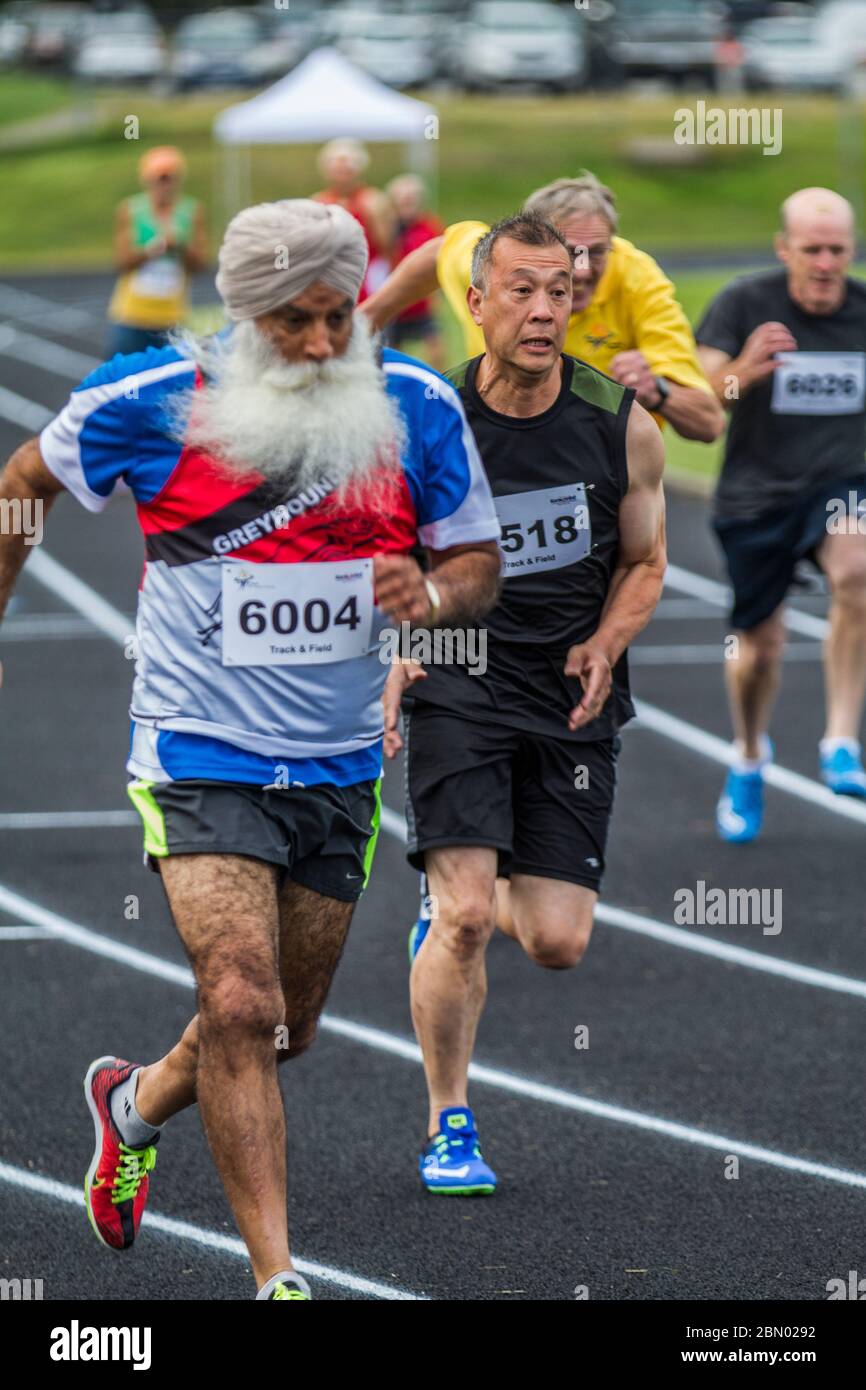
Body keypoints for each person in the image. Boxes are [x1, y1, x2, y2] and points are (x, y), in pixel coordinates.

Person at [0, 200, 501, 1297]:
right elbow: (24, 483)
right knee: (238, 1000)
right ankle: (276, 1278)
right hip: (198, 749)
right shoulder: (148, 403)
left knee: (286, 1029)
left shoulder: (413, 405)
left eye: (339, 319)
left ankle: (129, 1103)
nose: (323, 346)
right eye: (293, 323)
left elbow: (475, 561)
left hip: (338, 765)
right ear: (240, 312)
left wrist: (432, 592)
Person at [383, 212, 666, 1195]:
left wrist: (605, 639)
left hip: (569, 700)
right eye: (522, 290)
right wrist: (397, 654)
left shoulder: (616, 422)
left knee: (554, 940)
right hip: (459, 675)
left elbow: (644, 559)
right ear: (475, 301)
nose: (545, 310)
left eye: (560, 290)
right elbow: (385, 558)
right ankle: (447, 1120)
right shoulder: (430, 418)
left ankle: (456, 906)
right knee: (463, 913)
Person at [696, 187, 866, 843]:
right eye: (812, 249)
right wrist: (745, 371)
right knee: (756, 652)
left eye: (838, 250)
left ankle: (841, 740)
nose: (825, 263)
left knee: (856, 567)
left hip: (843, 482)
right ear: (784, 248)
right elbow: (703, 400)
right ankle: (747, 754)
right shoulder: (746, 302)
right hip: (756, 495)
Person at [363, 171, 724, 444]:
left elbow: (708, 424)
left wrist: (658, 391)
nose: (580, 270)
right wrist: (366, 320)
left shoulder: (638, 281)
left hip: (600, 474)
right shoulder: (496, 258)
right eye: (568, 252)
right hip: (499, 449)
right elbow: (440, 252)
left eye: (597, 252)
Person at [107, 146, 208, 357]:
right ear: (148, 180)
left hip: (172, 316)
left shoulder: (191, 212)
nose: (165, 185)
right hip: (133, 315)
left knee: (169, 385)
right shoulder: (131, 209)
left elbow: (200, 264)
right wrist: (154, 249)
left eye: (170, 178)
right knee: (125, 380)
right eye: (160, 179)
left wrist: (179, 246)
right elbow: (122, 262)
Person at [312, 138, 394, 302]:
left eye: (347, 169)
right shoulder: (318, 202)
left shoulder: (373, 200)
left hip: (369, 277)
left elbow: (388, 246)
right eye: (337, 169)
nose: (342, 175)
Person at [383, 174, 445, 370]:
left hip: (421, 301)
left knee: (436, 348)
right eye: (403, 200)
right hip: (395, 300)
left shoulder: (428, 226)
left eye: (411, 199)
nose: (407, 204)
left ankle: (435, 382)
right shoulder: (387, 228)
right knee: (393, 352)